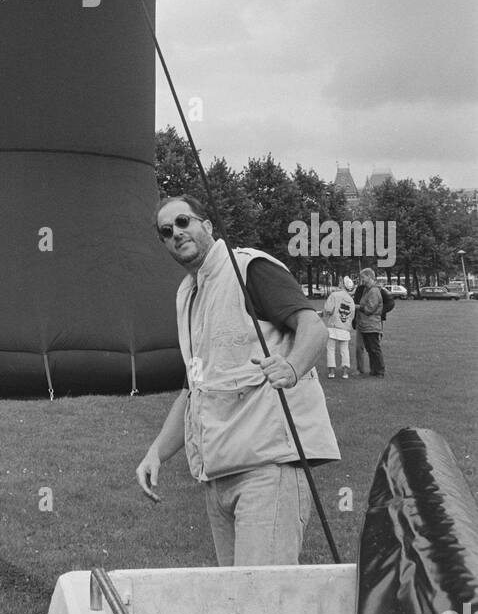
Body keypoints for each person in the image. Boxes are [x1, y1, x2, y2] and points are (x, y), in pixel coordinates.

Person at [136, 194, 340, 567]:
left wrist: (292, 367)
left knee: (263, 601)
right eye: (167, 231)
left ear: (207, 226)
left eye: (184, 222)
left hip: (268, 469)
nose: (177, 234)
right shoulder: (188, 295)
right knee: (234, 604)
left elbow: (313, 327)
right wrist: (156, 453)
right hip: (218, 476)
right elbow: (193, 387)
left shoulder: (249, 269)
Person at [322, 276, 355, 378]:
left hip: (333, 326)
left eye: (341, 282)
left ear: (342, 285)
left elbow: (328, 309)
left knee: (331, 349)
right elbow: (352, 316)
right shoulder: (351, 300)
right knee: (344, 350)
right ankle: (345, 373)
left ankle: (331, 372)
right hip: (345, 328)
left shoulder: (334, 295)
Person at [355, 267, 385, 376]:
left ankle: (380, 370)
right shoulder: (366, 289)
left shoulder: (374, 291)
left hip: (372, 324)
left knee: (374, 348)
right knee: (370, 349)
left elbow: (370, 308)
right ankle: (374, 370)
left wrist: (358, 307)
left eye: (363, 277)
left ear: (369, 277)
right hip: (365, 324)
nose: (361, 279)